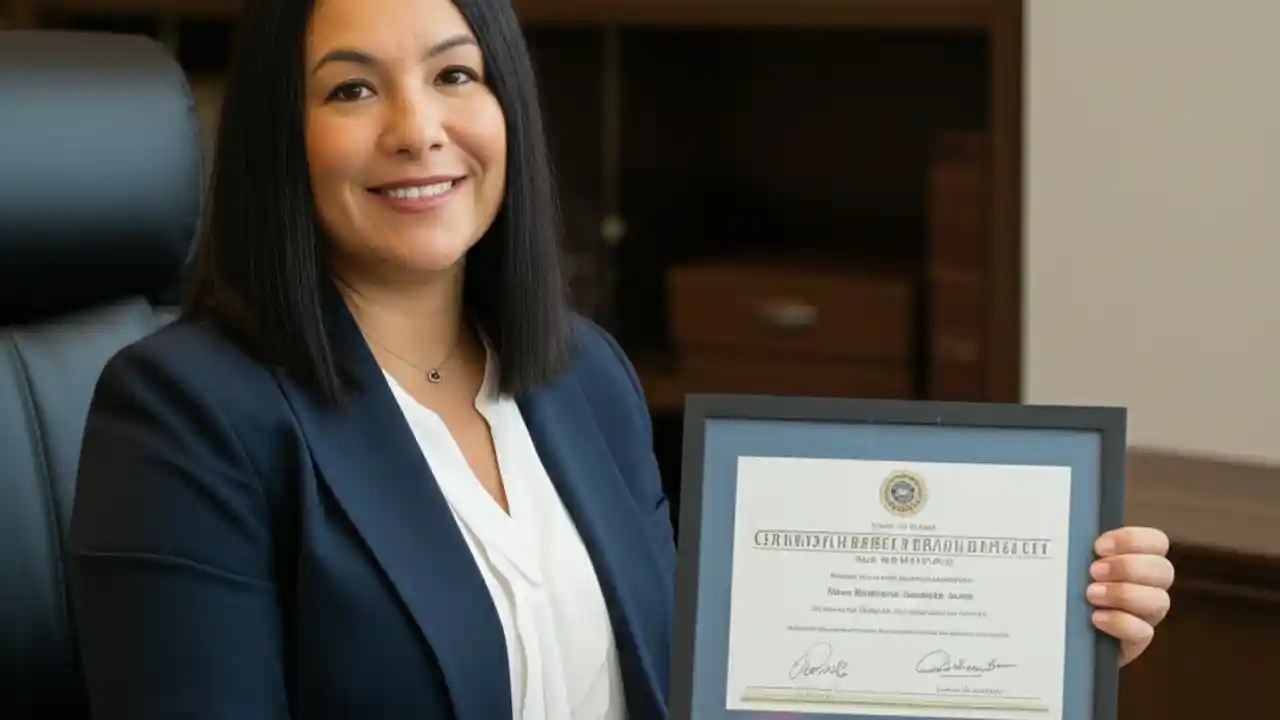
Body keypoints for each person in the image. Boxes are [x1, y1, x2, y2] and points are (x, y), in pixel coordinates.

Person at [66, 0, 1176, 718]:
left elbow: (723, 689)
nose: (418, 128)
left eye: (456, 75)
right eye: (351, 89)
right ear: (277, 139)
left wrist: (1041, 654)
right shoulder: (184, 413)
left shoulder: (580, 376)